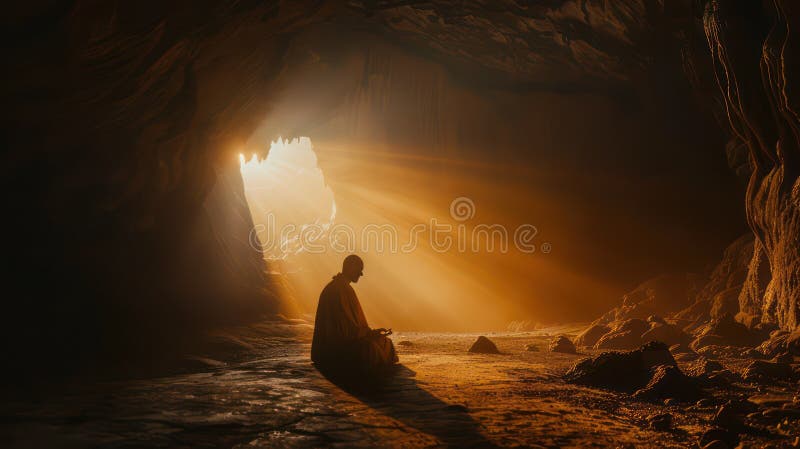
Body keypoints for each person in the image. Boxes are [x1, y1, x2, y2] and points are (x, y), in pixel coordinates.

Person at [311, 255, 398, 376]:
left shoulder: (341, 287)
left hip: (336, 346)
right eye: (359, 269)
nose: (361, 274)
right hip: (334, 350)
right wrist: (369, 334)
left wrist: (371, 333)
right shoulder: (339, 290)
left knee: (383, 342)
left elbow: (351, 325)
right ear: (351, 268)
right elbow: (344, 331)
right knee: (372, 348)